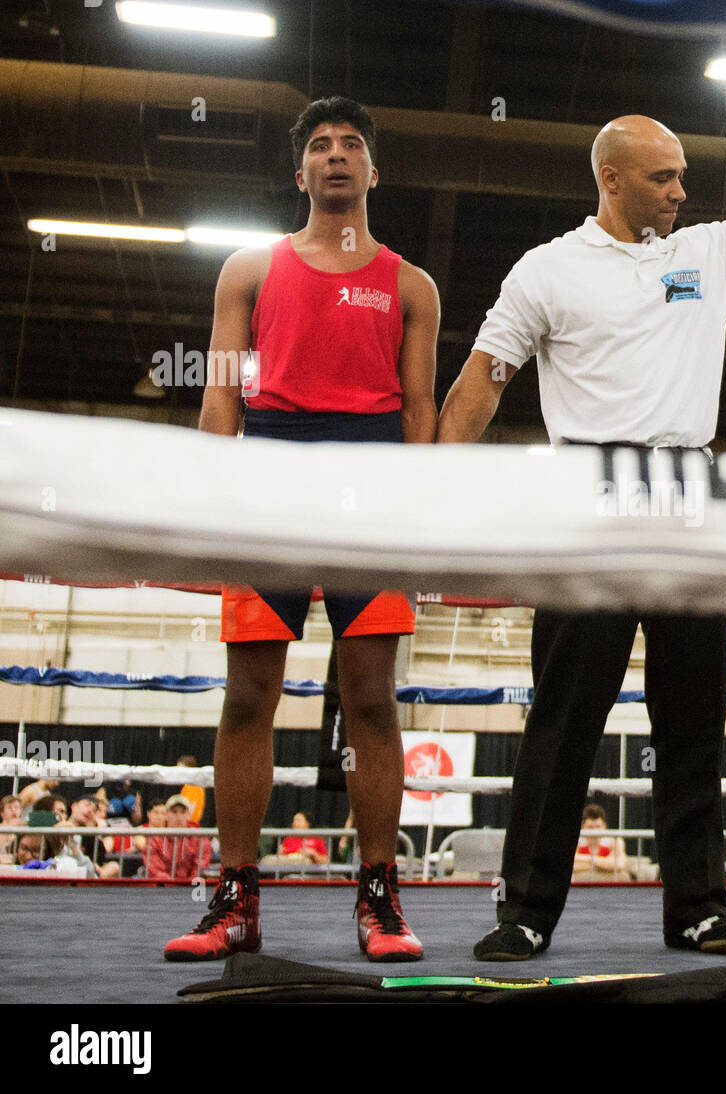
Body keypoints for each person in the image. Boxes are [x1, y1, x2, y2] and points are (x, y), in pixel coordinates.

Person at [442, 57, 726, 961]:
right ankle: (525, 912)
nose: (680, 189)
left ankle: (698, 909)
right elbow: (481, 382)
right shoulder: (546, 270)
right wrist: (435, 494)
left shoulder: (703, 255)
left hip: (691, 496)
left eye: (681, 175)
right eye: (663, 176)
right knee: (563, 724)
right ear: (611, 177)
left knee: (692, 720)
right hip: (587, 500)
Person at [165, 96, 439, 963]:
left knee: (370, 700)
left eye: (351, 144)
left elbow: (421, 408)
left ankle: (380, 901)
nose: (335, 156)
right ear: (299, 173)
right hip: (269, 475)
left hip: (371, 485)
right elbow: (220, 392)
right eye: (319, 145)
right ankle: (234, 902)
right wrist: (215, 493)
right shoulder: (245, 270)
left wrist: (414, 511)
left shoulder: (411, 285)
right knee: (249, 697)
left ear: (371, 170)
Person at [146, 796, 213, 882]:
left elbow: (200, 867)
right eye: (174, 812)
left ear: (188, 814)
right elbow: (154, 869)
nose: (179, 816)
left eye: (183, 812)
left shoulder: (200, 838)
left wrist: (187, 885)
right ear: (166, 814)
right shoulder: (155, 838)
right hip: (162, 889)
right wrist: (172, 886)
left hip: (191, 889)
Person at [572, 803, 628, 879]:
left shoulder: (615, 841)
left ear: (604, 826)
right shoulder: (578, 842)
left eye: (598, 827)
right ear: (583, 826)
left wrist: (584, 859)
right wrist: (604, 865)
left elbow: (619, 864)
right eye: (590, 827)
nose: (595, 831)